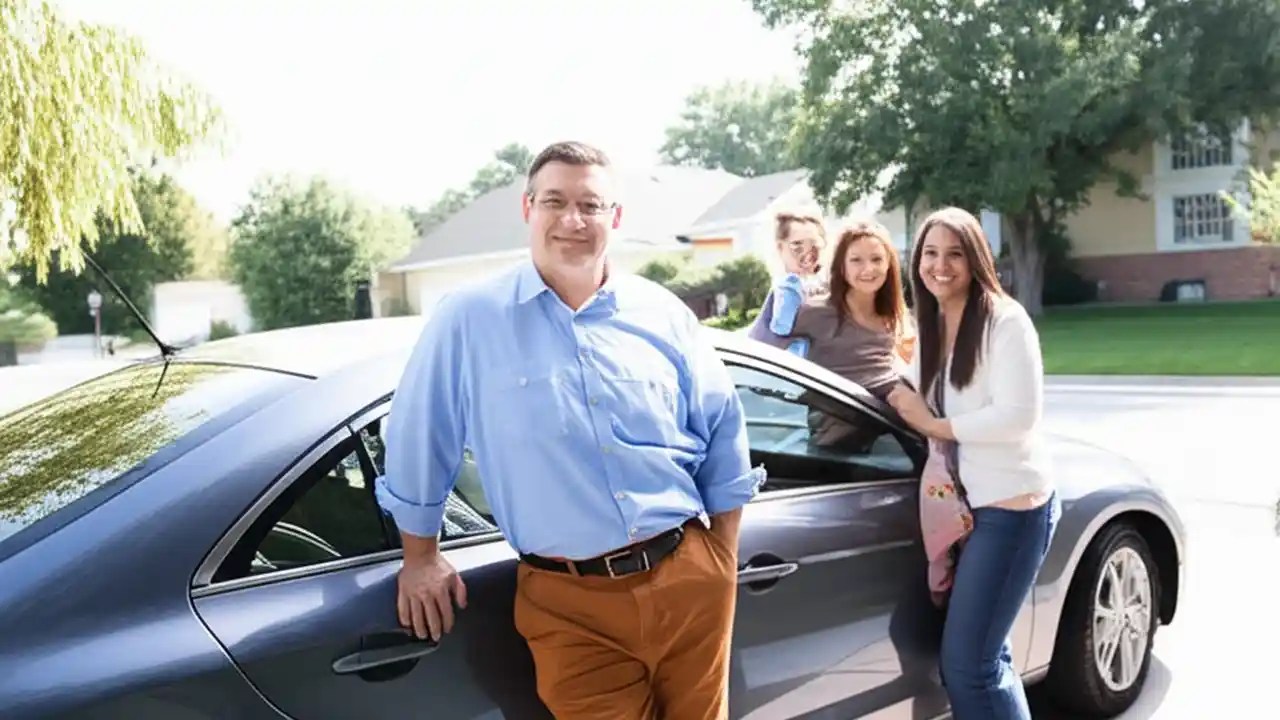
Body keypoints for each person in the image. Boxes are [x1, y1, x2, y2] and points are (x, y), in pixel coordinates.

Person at [375, 140, 765, 720]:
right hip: (569, 606)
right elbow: (417, 438)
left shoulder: (664, 314)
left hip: (689, 581)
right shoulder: (470, 319)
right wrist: (421, 556)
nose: (573, 219)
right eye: (554, 201)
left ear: (617, 217)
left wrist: (719, 562)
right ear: (528, 209)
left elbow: (722, 433)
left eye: (591, 204)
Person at [885, 206, 1060, 720]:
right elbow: (914, 390)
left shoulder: (1006, 321)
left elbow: (1018, 416)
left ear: (977, 259)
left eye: (954, 254)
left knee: (969, 666)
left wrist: (934, 426)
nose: (940, 266)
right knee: (989, 656)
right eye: (930, 254)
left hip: (1011, 510)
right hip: (968, 509)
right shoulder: (936, 323)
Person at [749, 219, 916, 402]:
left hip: (888, 421)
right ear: (841, 267)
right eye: (856, 260)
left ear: (889, 264)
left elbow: (890, 371)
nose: (868, 268)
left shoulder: (891, 315)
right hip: (840, 424)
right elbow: (756, 355)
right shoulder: (815, 313)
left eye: (876, 259)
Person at [749, 209, 829, 357]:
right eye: (797, 246)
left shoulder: (822, 284)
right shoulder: (788, 285)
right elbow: (783, 326)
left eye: (814, 245)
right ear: (780, 248)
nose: (807, 253)